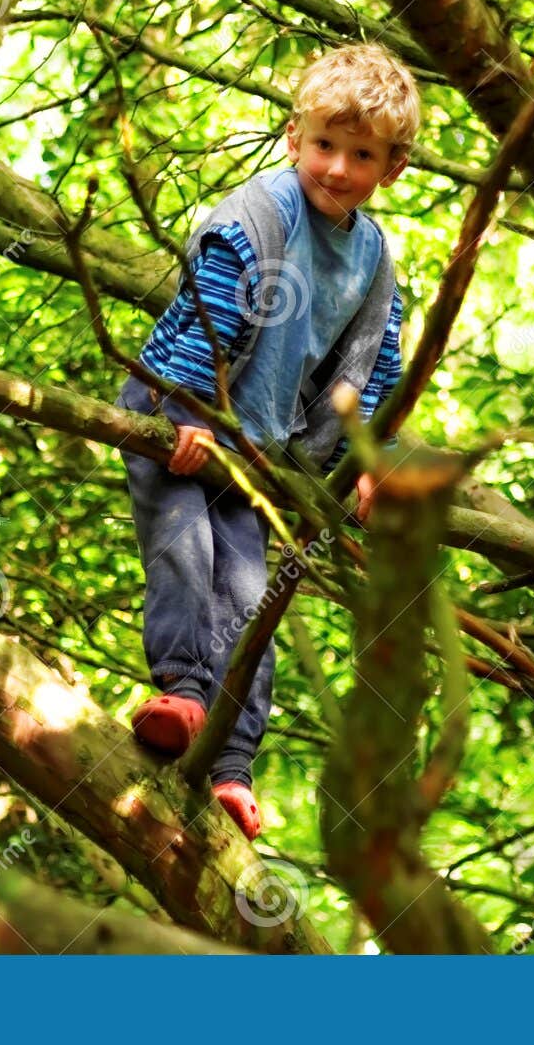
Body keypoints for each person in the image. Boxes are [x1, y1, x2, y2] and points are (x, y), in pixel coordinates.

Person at [113, 41, 420, 840]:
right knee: (186, 551)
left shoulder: (374, 258)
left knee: (249, 599)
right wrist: (181, 416)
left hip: (261, 450)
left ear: (392, 168)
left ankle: (230, 768)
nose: (338, 168)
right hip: (175, 408)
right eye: (324, 144)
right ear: (294, 138)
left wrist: (364, 460)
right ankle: (181, 691)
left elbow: (373, 367)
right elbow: (211, 318)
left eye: (362, 155)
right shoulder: (256, 217)